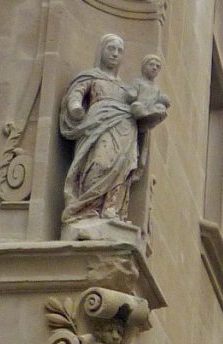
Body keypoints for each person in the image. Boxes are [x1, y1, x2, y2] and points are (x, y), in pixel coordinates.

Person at [59, 34, 141, 224]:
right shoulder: (92, 77)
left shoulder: (125, 88)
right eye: (111, 49)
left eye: (119, 51)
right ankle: (85, 208)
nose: (115, 54)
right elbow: (77, 92)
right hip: (98, 126)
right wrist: (75, 107)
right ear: (101, 51)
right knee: (99, 163)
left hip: (126, 131)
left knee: (122, 169)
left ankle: (111, 208)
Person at [126, 54, 170, 129]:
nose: (154, 68)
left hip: (151, 107)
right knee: (136, 106)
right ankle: (143, 115)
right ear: (144, 67)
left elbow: (161, 99)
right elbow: (131, 93)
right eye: (151, 65)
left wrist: (164, 99)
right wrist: (132, 94)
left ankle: (148, 116)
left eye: (157, 66)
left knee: (161, 107)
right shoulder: (138, 82)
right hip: (141, 105)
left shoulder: (156, 88)